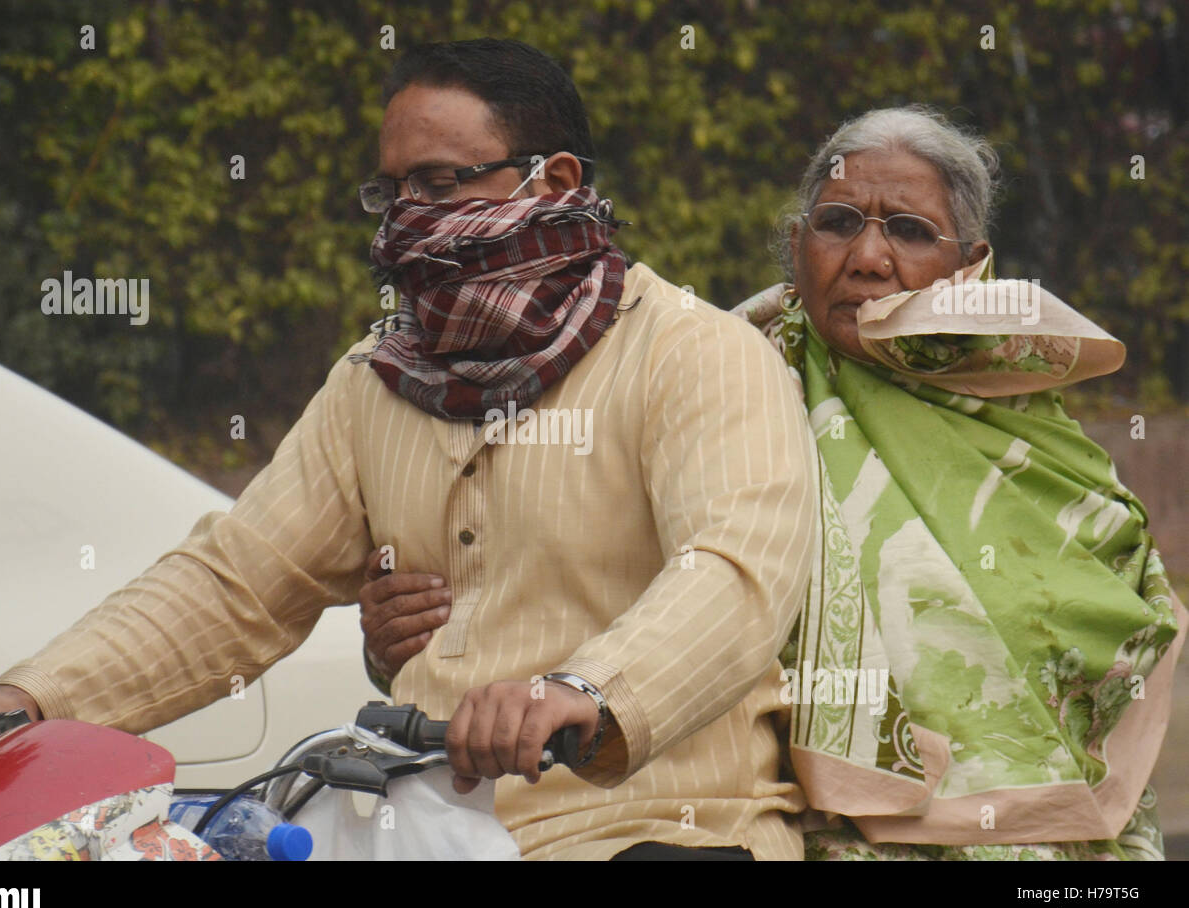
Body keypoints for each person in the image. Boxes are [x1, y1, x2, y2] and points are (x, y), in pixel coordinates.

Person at [0, 39, 818, 861]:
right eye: (391, 193)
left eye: (439, 186)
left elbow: (735, 572)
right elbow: (238, 583)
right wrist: (34, 701)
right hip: (405, 828)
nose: (405, 223)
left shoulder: (695, 353)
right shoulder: (376, 378)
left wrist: (581, 690)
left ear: (551, 183)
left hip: (646, 829)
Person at [360, 104, 1188, 860]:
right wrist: (413, 629)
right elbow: (593, 567)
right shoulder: (719, 381)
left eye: (908, 230)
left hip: (1053, 846)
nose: (868, 257)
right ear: (796, 245)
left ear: (970, 263)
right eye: (838, 224)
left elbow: (1114, 607)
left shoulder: (1026, 423)